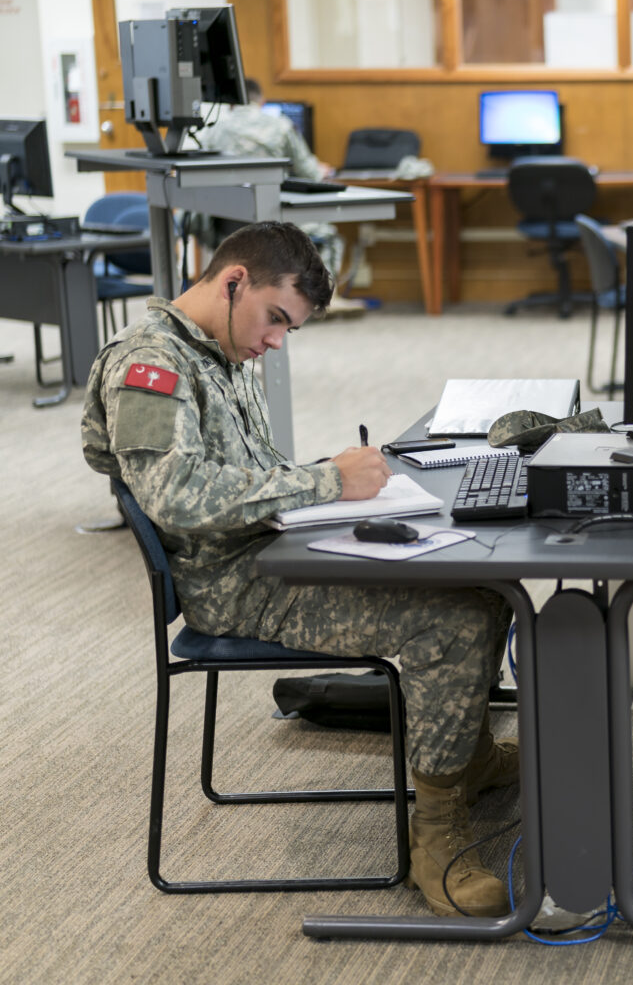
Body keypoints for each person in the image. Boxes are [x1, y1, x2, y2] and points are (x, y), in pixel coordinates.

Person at [81, 222, 516, 916]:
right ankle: (438, 840)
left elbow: (249, 476)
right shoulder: (151, 364)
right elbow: (176, 496)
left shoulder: (218, 351)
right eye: (276, 318)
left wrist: (329, 482)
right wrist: (325, 486)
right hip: (235, 585)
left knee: (485, 584)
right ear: (233, 282)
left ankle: (467, 758)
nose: (276, 341)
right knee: (454, 619)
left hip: (274, 549)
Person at [193, 79, 347, 285]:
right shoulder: (281, 126)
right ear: (262, 101)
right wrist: (322, 169)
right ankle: (317, 304)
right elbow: (310, 173)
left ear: (231, 103)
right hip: (274, 224)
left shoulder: (212, 130)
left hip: (226, 227)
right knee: (329, 237)